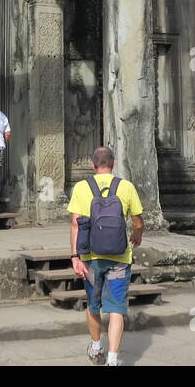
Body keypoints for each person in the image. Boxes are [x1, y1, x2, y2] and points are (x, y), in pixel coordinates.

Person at [68, 146, 144, 367]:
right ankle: (112, 359)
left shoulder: (82, 187)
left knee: (94, 305)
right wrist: (136, 235)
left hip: (90, 257)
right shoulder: (126, 186)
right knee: (117, 308)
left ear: (93, 165)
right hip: (120, 256)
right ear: (114, 164)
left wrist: (75, 257)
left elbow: (75, 223)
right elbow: (138, 221)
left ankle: (96, 345)